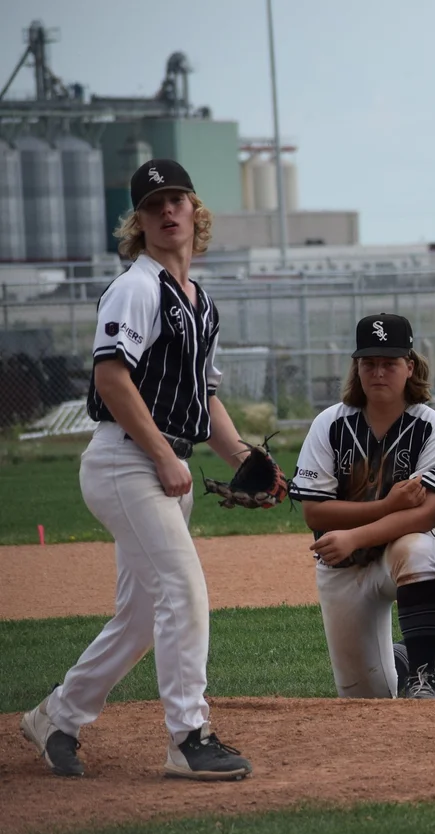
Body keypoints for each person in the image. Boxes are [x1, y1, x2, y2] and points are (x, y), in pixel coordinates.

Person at [20, 159, 255, 779]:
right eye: (155, 205)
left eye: (177, 199)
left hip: (158, 464)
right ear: (140, 222)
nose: (168, 211)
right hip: (126, 460)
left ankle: (58, 716)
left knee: (142, 616)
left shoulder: (200, 303)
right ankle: (188, 736)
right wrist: (161, 454)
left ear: (195, 211)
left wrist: (244, 459)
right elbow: (110, 376)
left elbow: (204, 396)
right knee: (184, 591)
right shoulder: (136, 287)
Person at [288, 314, 435, 699]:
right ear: (357, 367)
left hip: (394, 554)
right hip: (343, 568)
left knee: (418, 546)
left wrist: (355, 535)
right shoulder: (330, 424)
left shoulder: (432, 427)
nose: (379, 372)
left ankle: (424, 674)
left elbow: (425, 513)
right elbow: (314, 512)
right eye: (369, 363)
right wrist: (387, 504)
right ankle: (406, 653)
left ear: (409, 366)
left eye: (390, 363)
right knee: (366, 699)